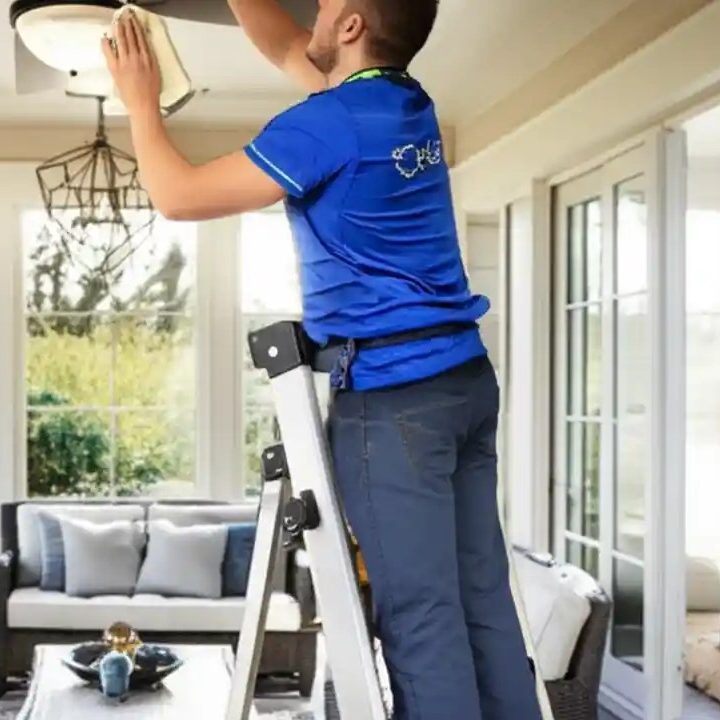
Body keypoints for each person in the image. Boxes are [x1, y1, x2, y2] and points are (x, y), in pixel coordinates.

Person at [101, 2, 541, 719]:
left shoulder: (327, 126)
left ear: (352, 26)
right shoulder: (401, 101)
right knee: (480, 596)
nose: (314, 5)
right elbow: (287, 45)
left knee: (422, 616)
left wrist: (140, 101)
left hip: (395, 401)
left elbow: (176, 197)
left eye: (328, 2)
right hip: (463, 382)